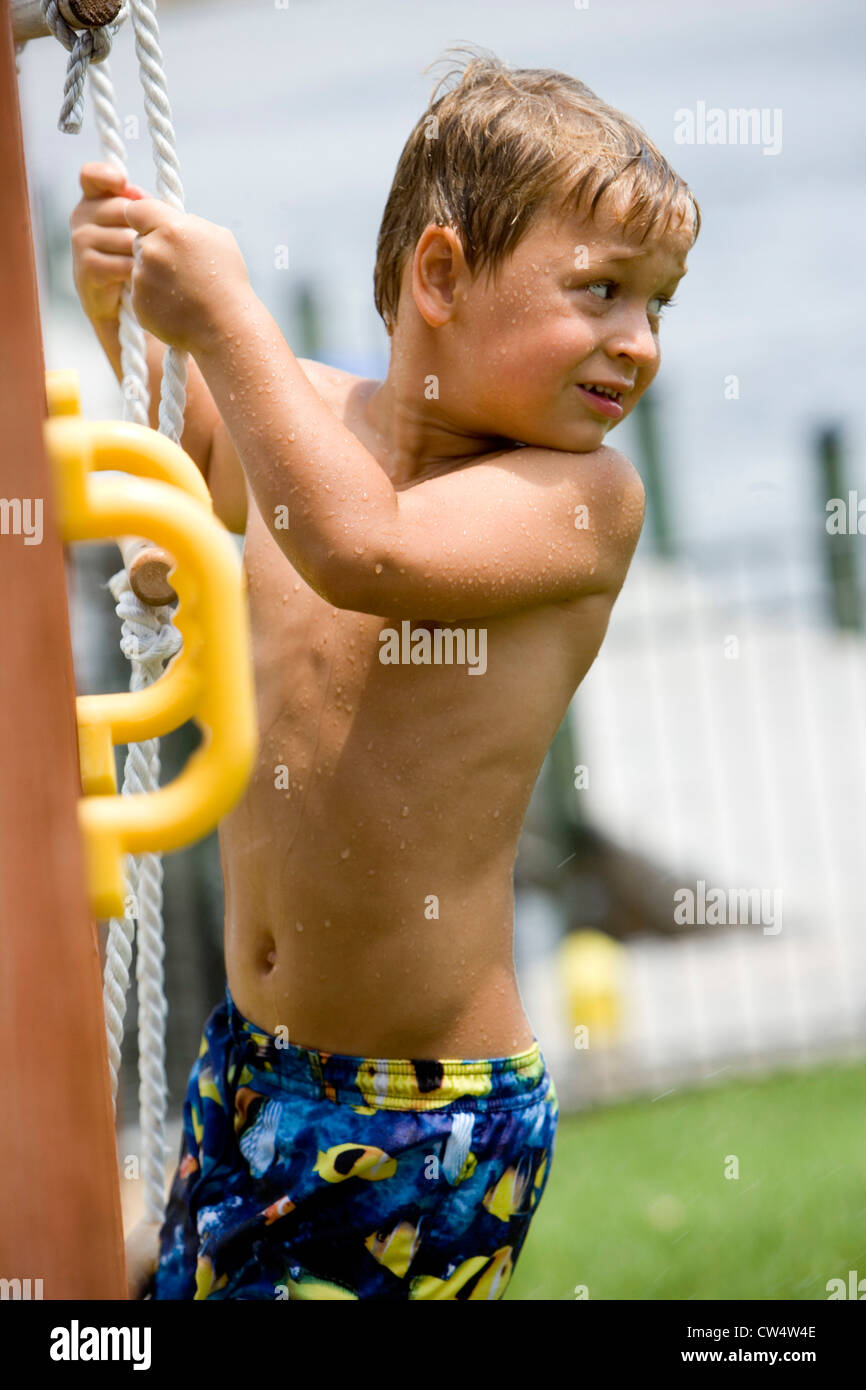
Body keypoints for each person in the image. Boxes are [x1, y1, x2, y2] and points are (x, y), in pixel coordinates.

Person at [70, 48, 699, 1300]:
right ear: (440, 274)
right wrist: (121, 301)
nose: (637, 344)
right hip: (247, 1069)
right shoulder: (304, 426)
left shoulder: (582, 502)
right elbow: (194, 434)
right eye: (601, 291)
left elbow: (364, 547)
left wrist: (229, 313)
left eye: (657, 305)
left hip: (421, 1121)